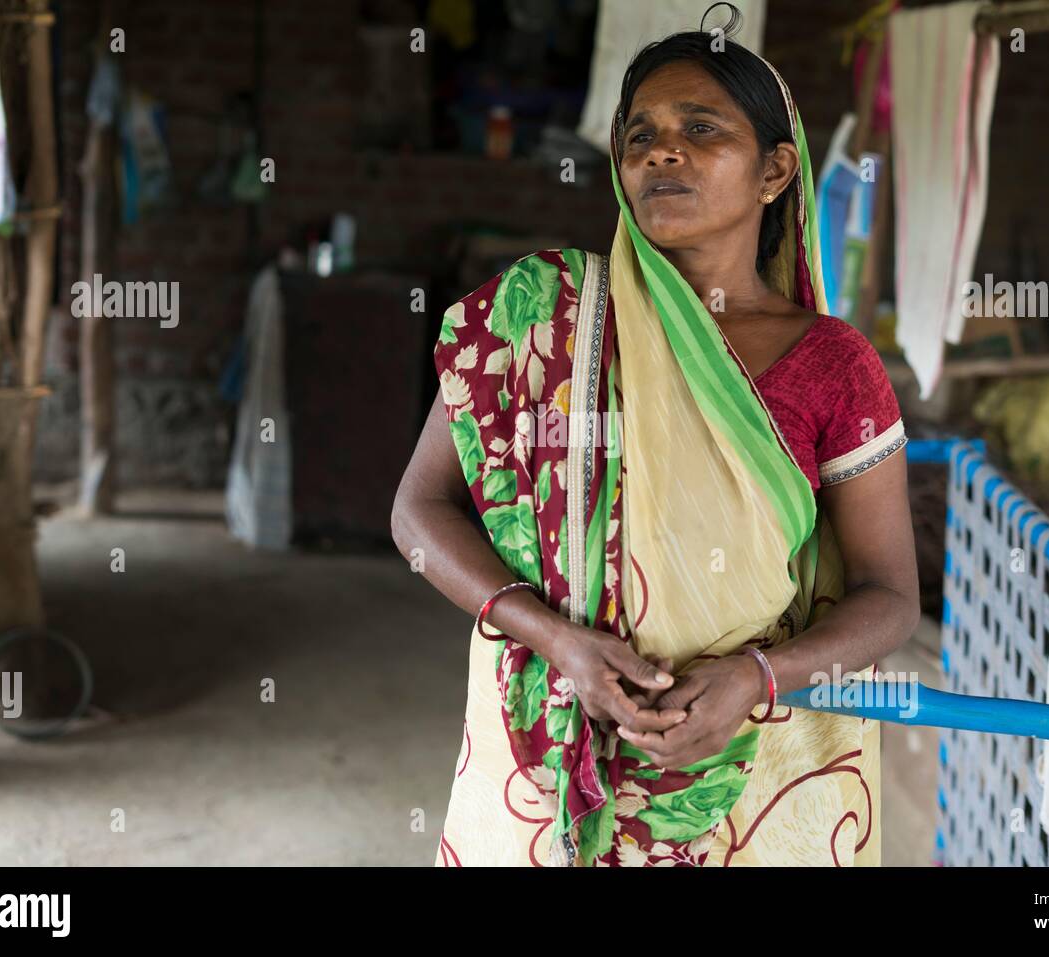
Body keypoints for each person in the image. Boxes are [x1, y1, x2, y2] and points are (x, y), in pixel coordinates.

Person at [392, 4, 919, 867]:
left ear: (776, 171)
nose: (659, 152)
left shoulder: (833, 363)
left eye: (700, 128)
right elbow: (417, 512)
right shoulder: (543, 314)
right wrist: (556, 638)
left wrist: (755, 678)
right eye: (639, 136)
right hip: (549, 740)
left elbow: (890, 595)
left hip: (739, 761)